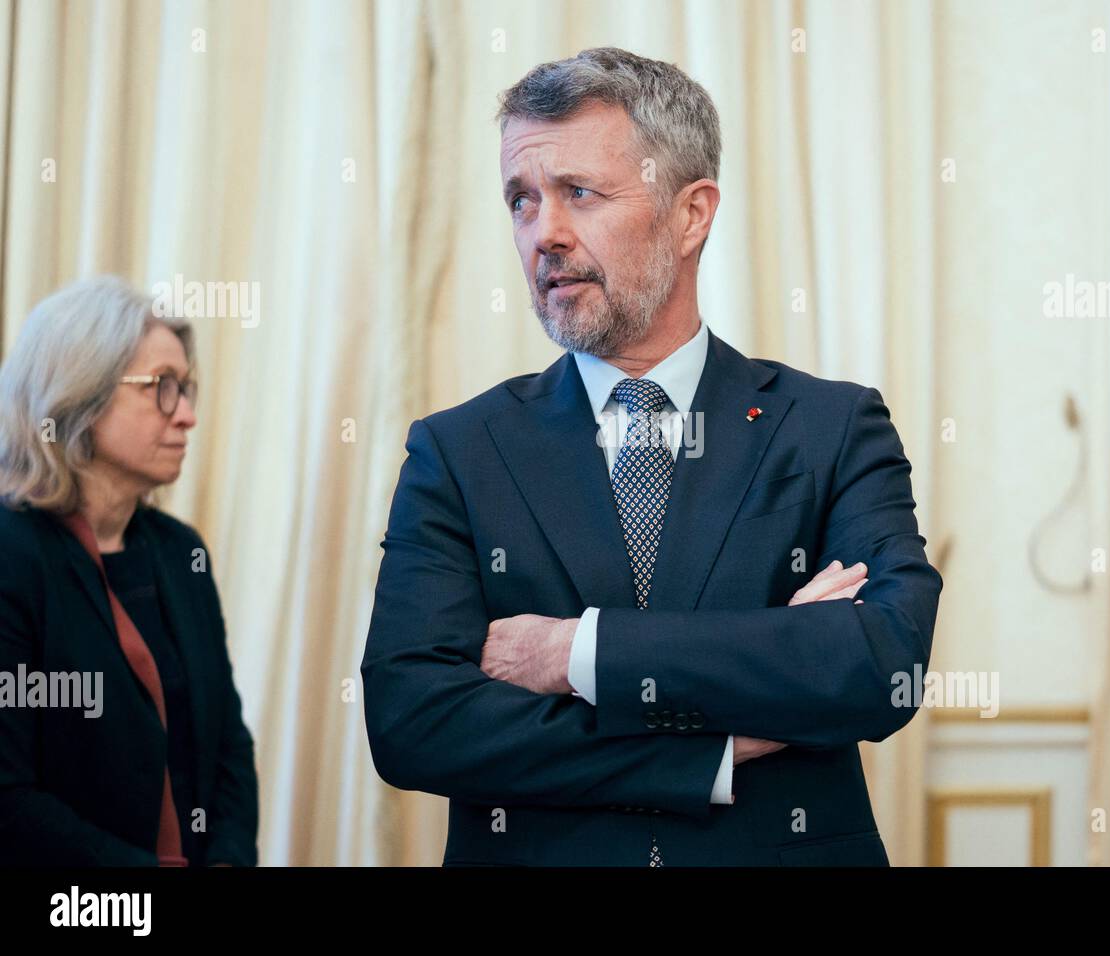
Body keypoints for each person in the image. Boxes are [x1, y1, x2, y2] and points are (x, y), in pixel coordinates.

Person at [363, 48, 941, 866]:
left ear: (691, 214)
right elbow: (412, 721)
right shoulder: (460, 449)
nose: (544, 235)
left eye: (580, 194)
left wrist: (576, 653)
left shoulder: (830, 426)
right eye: (522, 201)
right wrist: (707, 741)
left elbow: (882, 664)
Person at [0, 275, 258, 866]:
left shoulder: (179, 552)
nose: (188, 415)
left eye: (188, 389)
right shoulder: (12, 555)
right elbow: (10, 800)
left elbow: (228, 749)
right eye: (162, 387)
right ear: (77, 396)